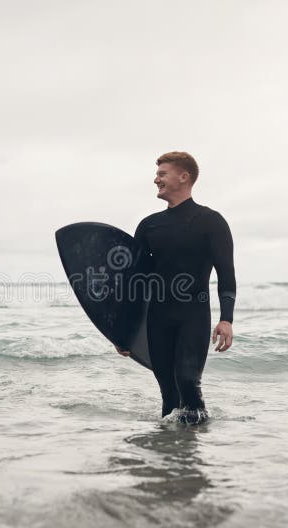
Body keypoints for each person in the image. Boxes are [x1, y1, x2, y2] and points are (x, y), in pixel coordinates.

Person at [117, 152, 235, 424]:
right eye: (157, 174)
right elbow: (136, 282)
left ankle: (197, 437)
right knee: (168, 393)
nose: (156, 179)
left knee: (187, 380)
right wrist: (123, 331)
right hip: (158, 318)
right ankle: (171, 448)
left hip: (193, 315)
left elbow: (226, 273)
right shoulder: (149, 225)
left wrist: (226, 319)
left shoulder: (211, 221)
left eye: (162, 174)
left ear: (184, 177)